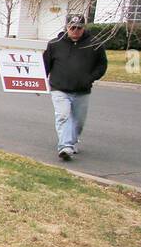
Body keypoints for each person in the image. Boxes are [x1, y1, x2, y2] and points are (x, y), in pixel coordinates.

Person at [42, 13, 107, 161]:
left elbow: (102, 65)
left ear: (84, 28)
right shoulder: (55, 44)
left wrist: (90, 78)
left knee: (78, 122)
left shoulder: (94, 44)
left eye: (79, 28)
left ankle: (71, 142)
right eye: (72, 28)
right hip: (59, 88)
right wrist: (38, 83)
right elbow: (45, 65)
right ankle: (65, 147)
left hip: (82, 90)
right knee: (63, 116)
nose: (75, 31)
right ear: (67, 27)